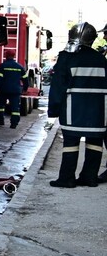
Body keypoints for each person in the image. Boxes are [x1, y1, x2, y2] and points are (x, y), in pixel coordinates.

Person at [47, 22, 107, 188]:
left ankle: (67, 179)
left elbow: (58, 86)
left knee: (70, 144)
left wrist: (53, 110)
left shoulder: (66, 58)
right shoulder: (101, 59)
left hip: (73, 110)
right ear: (92, 39)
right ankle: (89, 178)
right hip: (98, 112)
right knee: (95, 144)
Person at [0, 48, 25, 128]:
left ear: (6, 56)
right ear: (14, 56)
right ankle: (14, 124)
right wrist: (25, 88)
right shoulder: (20, 67)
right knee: (15, 108)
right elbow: (25, 79)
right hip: (15, 91)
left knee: (0, 106)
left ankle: (0, 122)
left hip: (3, 90)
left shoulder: (2, 66)